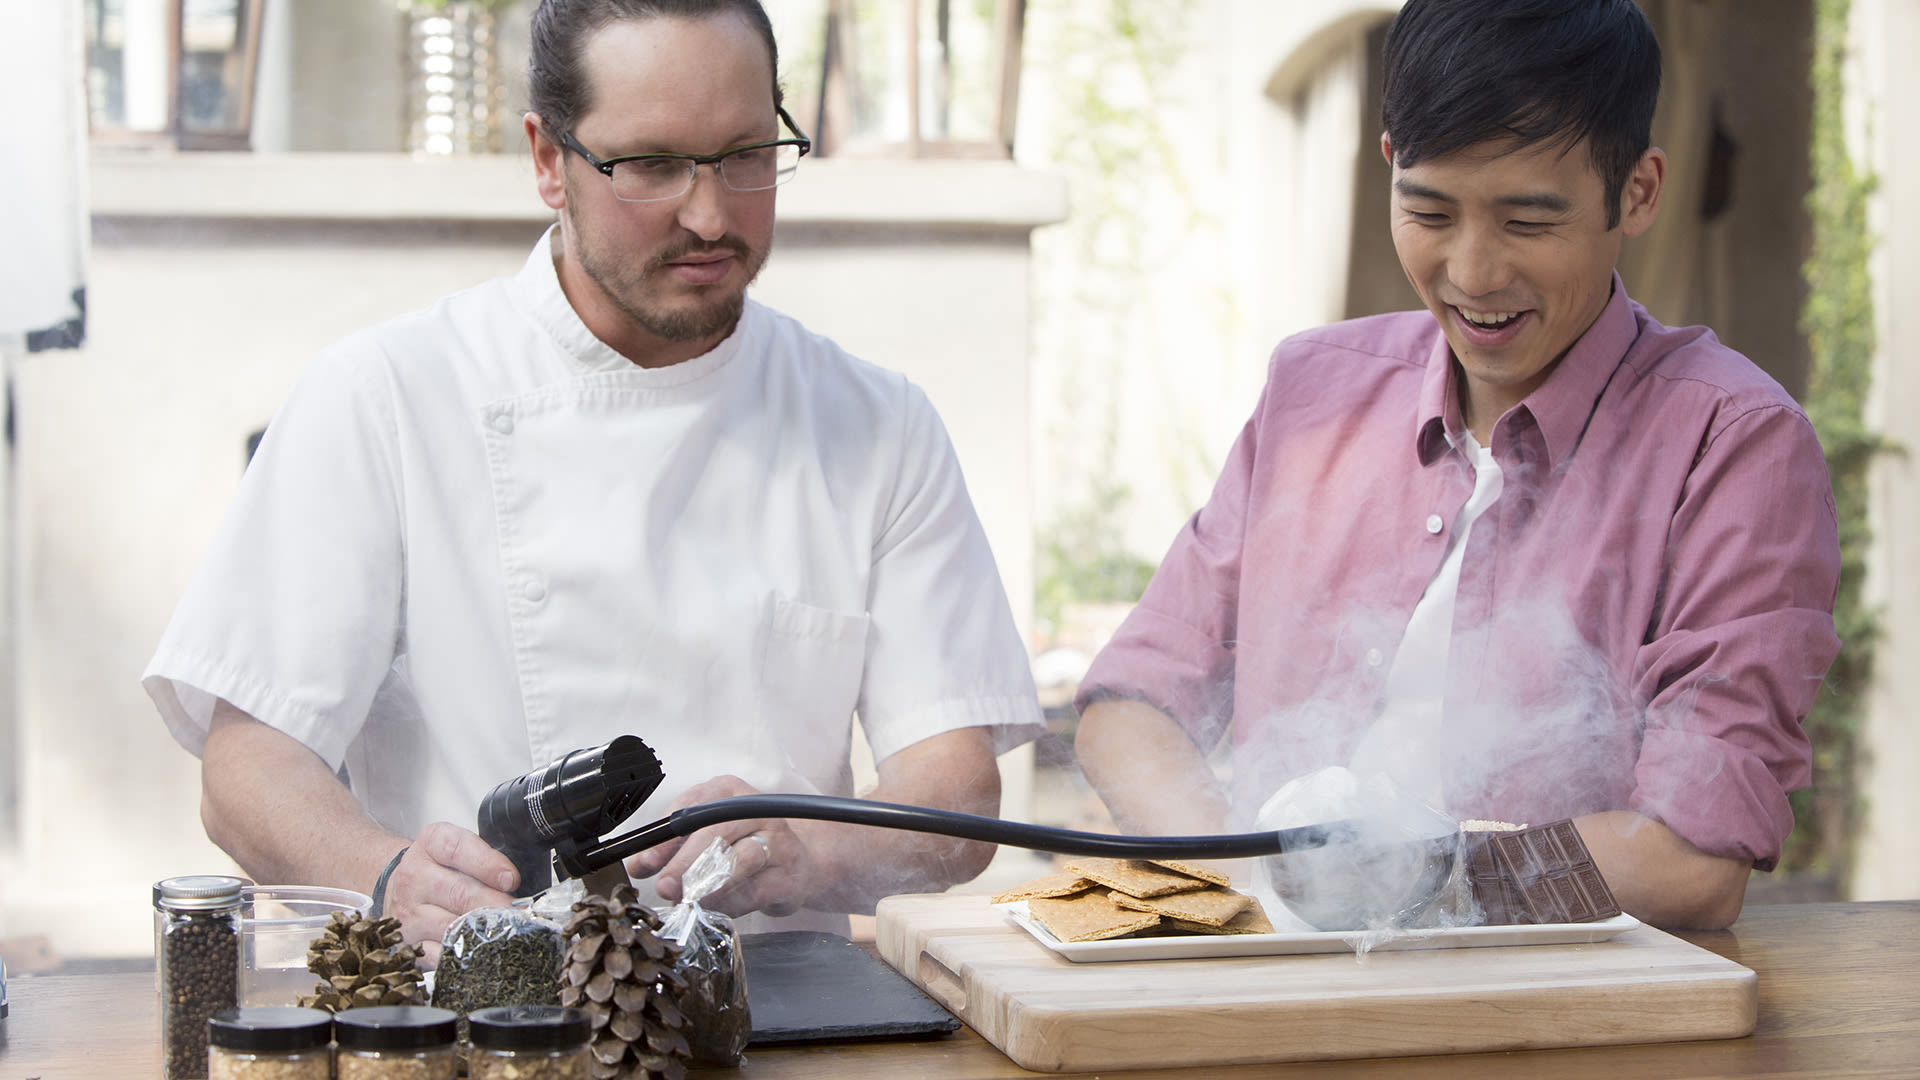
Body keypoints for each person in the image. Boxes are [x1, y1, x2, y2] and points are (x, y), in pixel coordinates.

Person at [143, 0, 1042, 956]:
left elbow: (955, 790)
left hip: (780, 1010)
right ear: (548, 161)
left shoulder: (877, 421)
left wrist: (818, 848)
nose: (710, 215)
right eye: (651, 165)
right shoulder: (386, 395)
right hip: (481, 1006)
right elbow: (247, 766)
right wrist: (387, 878)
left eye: (746, 155)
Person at [1072, 0, 1841, 931]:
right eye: (1430, 211)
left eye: (1528, 221)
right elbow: (1133, 706)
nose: (1473, 274)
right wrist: (1249, 880)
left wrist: (1410, 879)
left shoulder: (1732, 444)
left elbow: (1690, 863)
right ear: (1389, 162)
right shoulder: (1315, 390)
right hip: (1275, 984)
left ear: (1638, 193)